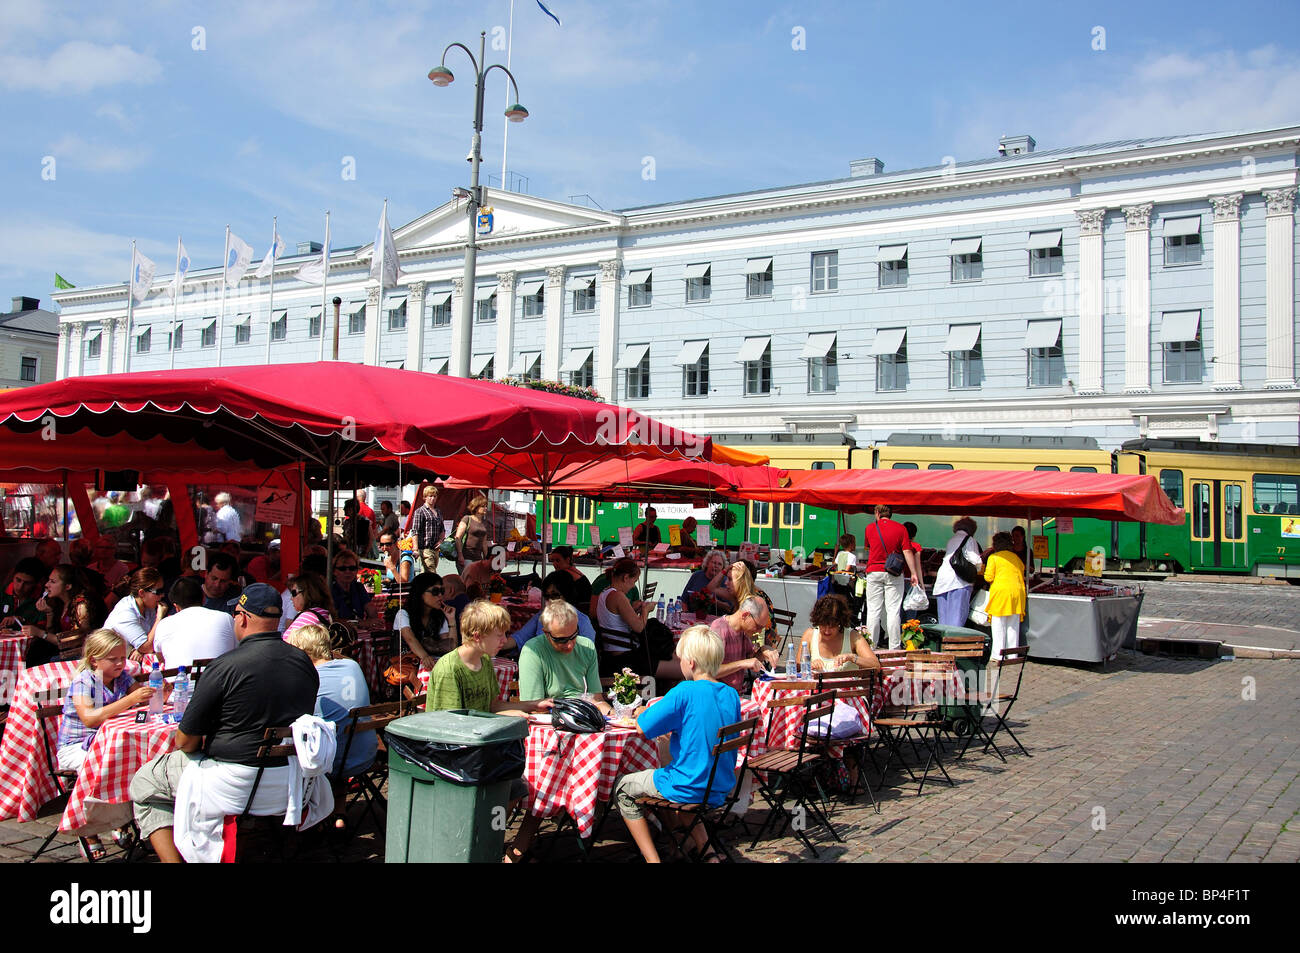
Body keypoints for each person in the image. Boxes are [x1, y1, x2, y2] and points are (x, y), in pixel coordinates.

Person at [128, 583, 320, 864]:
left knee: (145, 783)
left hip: (234, 782)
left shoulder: (224, 666)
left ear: (241, 617)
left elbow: (185, 741)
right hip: (290, 780)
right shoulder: (304, 661)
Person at [613, 626, 742, 863]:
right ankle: (705, 851)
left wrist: (643, 710)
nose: (679, 663)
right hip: (720, 784)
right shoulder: (730, 694)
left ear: (690, 663)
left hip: (689, 784)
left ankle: (653, 860)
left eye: (680, 659)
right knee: (671, 773)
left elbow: (643, 727)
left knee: (622, 788)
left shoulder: (684, 691)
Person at [58, 629, 157, 860]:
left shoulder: (121, 677)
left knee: (134, 763)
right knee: (107, 766)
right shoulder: (84, 681)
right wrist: (129, 700)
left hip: (109, 743)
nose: (121, 663)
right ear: (94, 660)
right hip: (77, 746)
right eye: (113, 659)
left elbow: (141, 698)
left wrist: (156, 692)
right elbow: (90, 718)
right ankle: (90, 832)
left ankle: (121, 821)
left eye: (122, 658)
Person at [285, 623, 375, 781]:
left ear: (302, 652)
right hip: (365, 754)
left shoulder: (309, 678)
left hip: (331, 763)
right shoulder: (352, 665)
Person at [425, 600, 544, 715]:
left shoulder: (484, 660)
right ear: (477, 636)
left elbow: (493, 706)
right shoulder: (450, 669)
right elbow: (450, 722)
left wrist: (535, 705)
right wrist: (502, 718)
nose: (505, 640)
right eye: (499, 635)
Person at [518, 599, 608, 709]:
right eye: (561, 640)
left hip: (582, 713)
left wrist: (615, 715)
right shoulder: (532, 651)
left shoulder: (587, 647)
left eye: (574, 636)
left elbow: (597, 699)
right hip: (548, 717)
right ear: (546, 633)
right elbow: (534, 707)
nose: (569, 645)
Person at [863, 504, 923, 650]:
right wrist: (914, 573)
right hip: (893, 573)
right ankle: (894, 647)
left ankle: (871, 646)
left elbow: (868, 549)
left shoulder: (870, 528)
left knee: (873, 610)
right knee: (893, 611)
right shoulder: (900, 528)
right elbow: (908, 551)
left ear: (877, 512)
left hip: (874, 571)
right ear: (891, 514)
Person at [24, 564, 104, 667]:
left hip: (83, 655)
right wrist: (49, 613)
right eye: (48, 580)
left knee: (43, 661)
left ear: (68, 586)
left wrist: (40, 633)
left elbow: (77, 639)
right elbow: (52, 635)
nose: (47, 585)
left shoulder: (81, 603)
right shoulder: (60, 603)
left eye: (53, 582)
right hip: (65, 652)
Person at [152, 576, 236, 671]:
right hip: (219, 683)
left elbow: (161, 658)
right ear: (203, 598)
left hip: (178, 684)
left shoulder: (164, 625)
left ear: (176, 607)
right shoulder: (226, 618)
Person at [507, 572, 597, 654]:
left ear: (567, 594)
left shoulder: (582, 621)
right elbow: (519, 638)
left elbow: (587, 654)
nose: (550, 600)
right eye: (547, 596)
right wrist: (498, 644)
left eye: (555, 595)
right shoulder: (542, 616)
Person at [594, 557, 655, 675]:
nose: (633, 586)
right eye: (634, 581)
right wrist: (646, 610)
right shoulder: (618, 596)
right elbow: (639, 627)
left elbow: (614, 619)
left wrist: (633, 608)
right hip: (625, 657)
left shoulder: (605, 593)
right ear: (626, 577)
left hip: (612, 654)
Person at [710, 595, 778, 690]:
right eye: (758, 626)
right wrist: (742, 663)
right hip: (718, 694)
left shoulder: (744, 631)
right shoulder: (719, 628)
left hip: (735, 693)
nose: (759, 631)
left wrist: (763, 651)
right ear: (745, 615)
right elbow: (710, 671)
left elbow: (751, 660)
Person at [797, 594, 879, 671]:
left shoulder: (853, 636)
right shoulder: (810, 635)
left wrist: (852, 658)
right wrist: (810, 664)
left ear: (840, 623)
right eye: (823, 625)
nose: (827, 631)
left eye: (832, 626)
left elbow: (876, 665)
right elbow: (798, 666)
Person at [394, 572, 457, 670]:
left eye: (442, 591)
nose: (440, 595)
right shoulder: (403, 614)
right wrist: (424, 656)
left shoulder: (439, 615)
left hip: (430, 665)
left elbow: (451, 647)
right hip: (405, 667)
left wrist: (451, 620)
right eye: (435, 591)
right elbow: (410, 639)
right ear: (420, 593)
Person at [103, 567, 167, 656]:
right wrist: (159, 618)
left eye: (163, 590)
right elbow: (147, 647)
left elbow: (153, 639)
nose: (162, 595)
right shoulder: (125, 612)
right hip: (107, 660)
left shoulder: (149, 607)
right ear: (141, 593)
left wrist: (140, 650)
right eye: (158, 591)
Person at [934, 517, 984, 627]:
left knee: (944, 621)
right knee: (956, 620)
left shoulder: (951, 540)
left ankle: (944, 643)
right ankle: (953, 642)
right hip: (959, 582)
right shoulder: (969, 540)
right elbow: (976, 560)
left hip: (942, 582)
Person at [984, 531, 1027, 659]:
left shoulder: (994, 557)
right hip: (1017, 593)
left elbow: (988, 577)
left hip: (1001, 594)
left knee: (998, 625)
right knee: (1013, 626)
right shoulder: (1016, 558)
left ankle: (998, 654)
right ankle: (1012, 654)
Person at [283, 571, 334, 639]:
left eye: (294, 593)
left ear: (307, 593)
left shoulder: (308, 617)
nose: (291, 598)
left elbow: (289, 643)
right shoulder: (324, 613)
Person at [411, 485, 446, 575]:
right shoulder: (420, 511)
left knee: (426, 574)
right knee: (431, 573)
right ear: (425, 497)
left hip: (436, 549)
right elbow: (415, 531)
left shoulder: (438, 511)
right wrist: (415, 549)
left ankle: (422, 588)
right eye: (430, 496)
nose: (432, 498)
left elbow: (442, 529)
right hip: (425, 548)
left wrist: (441, 541)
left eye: (434, 496)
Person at [682, 549, 729, 615]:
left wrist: (715, 601)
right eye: (714, 562)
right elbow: (684, 600)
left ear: (723, 568)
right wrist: (686, 613)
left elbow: (729, 608)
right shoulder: (696, 575)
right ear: (707, 563)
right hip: (692, 618)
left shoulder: (726, 581)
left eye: (719, 564)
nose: (716, 566)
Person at [329, 551, 373, 622]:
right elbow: (332, 620)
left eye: (352, 568)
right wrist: (360, 624)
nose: (348, 572)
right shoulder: (329, 590)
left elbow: (372, 611)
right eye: (342, 569)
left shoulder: (359, 587)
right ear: (334, 571)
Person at [454, 494, 492, 572]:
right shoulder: (467, 519)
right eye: (483, 506)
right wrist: (460, 555)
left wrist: (486, 558)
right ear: (476, 507)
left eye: (486, 506)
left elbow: (484, 543)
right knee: (467, 581)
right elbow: (458, 538)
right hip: (466, 557)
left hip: (478, 558)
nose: (485, 508)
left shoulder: (485, 523)